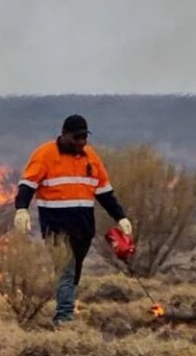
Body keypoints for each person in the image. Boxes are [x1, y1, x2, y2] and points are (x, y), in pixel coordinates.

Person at [14, 113, 132, 324]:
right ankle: (64, 317)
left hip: (84, 227)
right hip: (56, 226)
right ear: (64, 134)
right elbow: (27, 185)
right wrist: (21, 208)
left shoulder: (91, 157)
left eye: (84, 137)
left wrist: (120, 217)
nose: (81, 142)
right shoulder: (45, 154)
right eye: (76, 137)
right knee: (66, 269)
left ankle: (65, 308)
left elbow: (105, 193)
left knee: (74, 270)